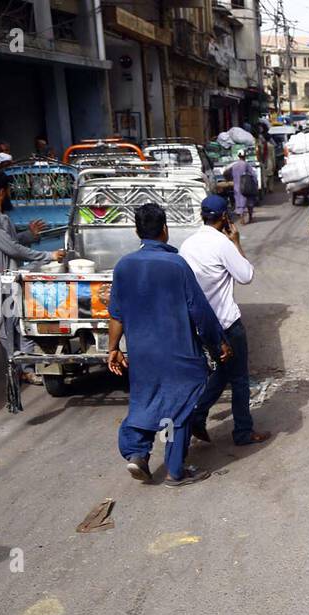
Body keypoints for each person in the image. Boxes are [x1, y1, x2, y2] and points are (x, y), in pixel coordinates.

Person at [106, 203, 231, 488]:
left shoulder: (124, 265)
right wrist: (217, 343)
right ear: (165, 229)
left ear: (137, 231)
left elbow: (116, 313)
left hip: (142, 355)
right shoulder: (176, 265)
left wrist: (113, 348)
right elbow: (199, 310)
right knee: (181, 405)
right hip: (179, 354)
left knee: (145, 399)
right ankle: (176, 469)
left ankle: (137, 453)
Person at [179, 195, 270, 447]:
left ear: (202, 216)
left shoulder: (187, 245)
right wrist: (237, 243)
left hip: (202, 325)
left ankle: (197, 414)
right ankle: (243, 431)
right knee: (239, 378)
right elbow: (246, 276)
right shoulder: (223, 244)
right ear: (224, 218)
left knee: (222, 370)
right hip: (227, 323)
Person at [0, 170, 64, 381]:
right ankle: (19, 370)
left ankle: (26, 368)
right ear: (3, 191)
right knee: (7, 329)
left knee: (21, 323)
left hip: (10, 278)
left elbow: (10, 242)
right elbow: (11, 248)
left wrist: (29, 235)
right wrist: (49, 255)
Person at [228, 151, 255, 224]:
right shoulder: (246, 164)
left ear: (238, 156)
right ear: (245, 156)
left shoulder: (234, 166)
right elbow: (253, 174)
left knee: (239, 202)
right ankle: (250, 217)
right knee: (249, 202)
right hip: (246, 186)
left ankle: (241, 217)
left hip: (237, 187)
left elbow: (230, 175)